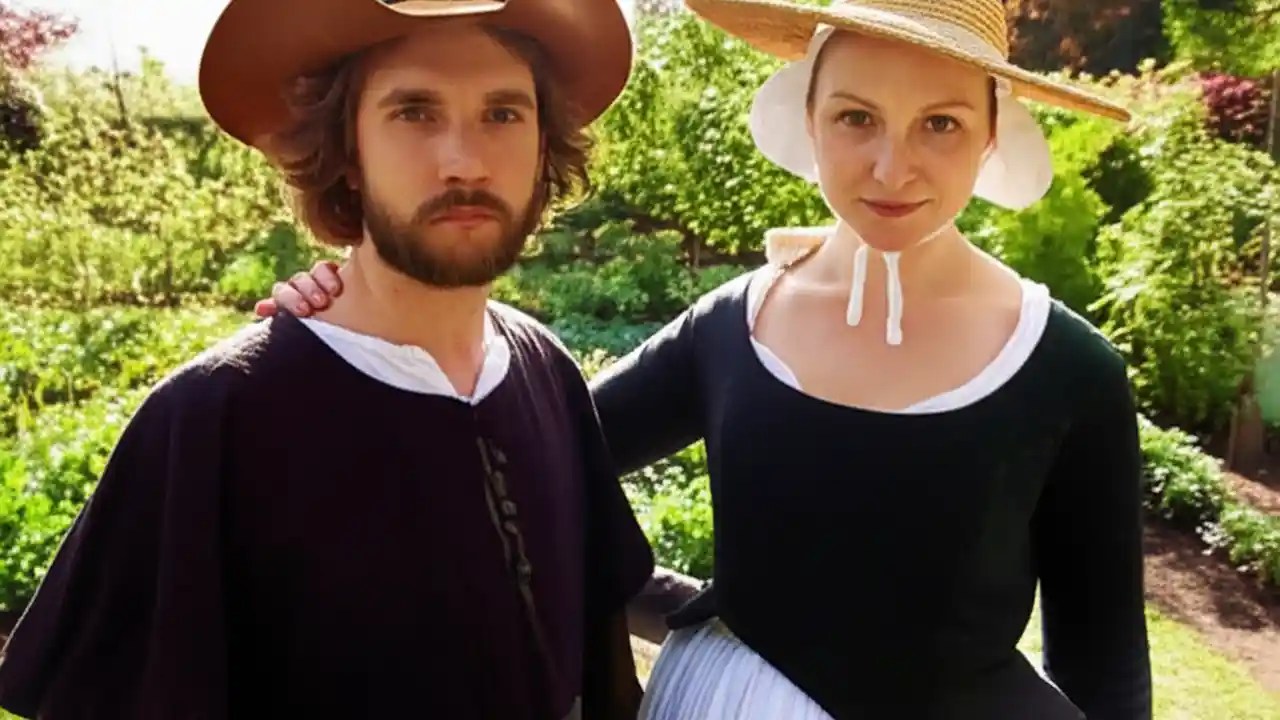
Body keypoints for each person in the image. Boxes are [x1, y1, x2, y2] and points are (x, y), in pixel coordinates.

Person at [257, 0, 1155, 718]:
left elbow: (1104, 658)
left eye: (942, 125)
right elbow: (540, 455)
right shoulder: (734, 324)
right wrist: (360, 303)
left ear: (994, 131)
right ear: (807, 115)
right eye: (856, 117)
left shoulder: (1067, 369)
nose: (892, 166)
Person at [0, 0, 655, 717]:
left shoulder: (544, 372)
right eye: (414, 112)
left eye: (503, 114)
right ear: (345, 152)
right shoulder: (212, 420)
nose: (465, 160)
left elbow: (601, 667)